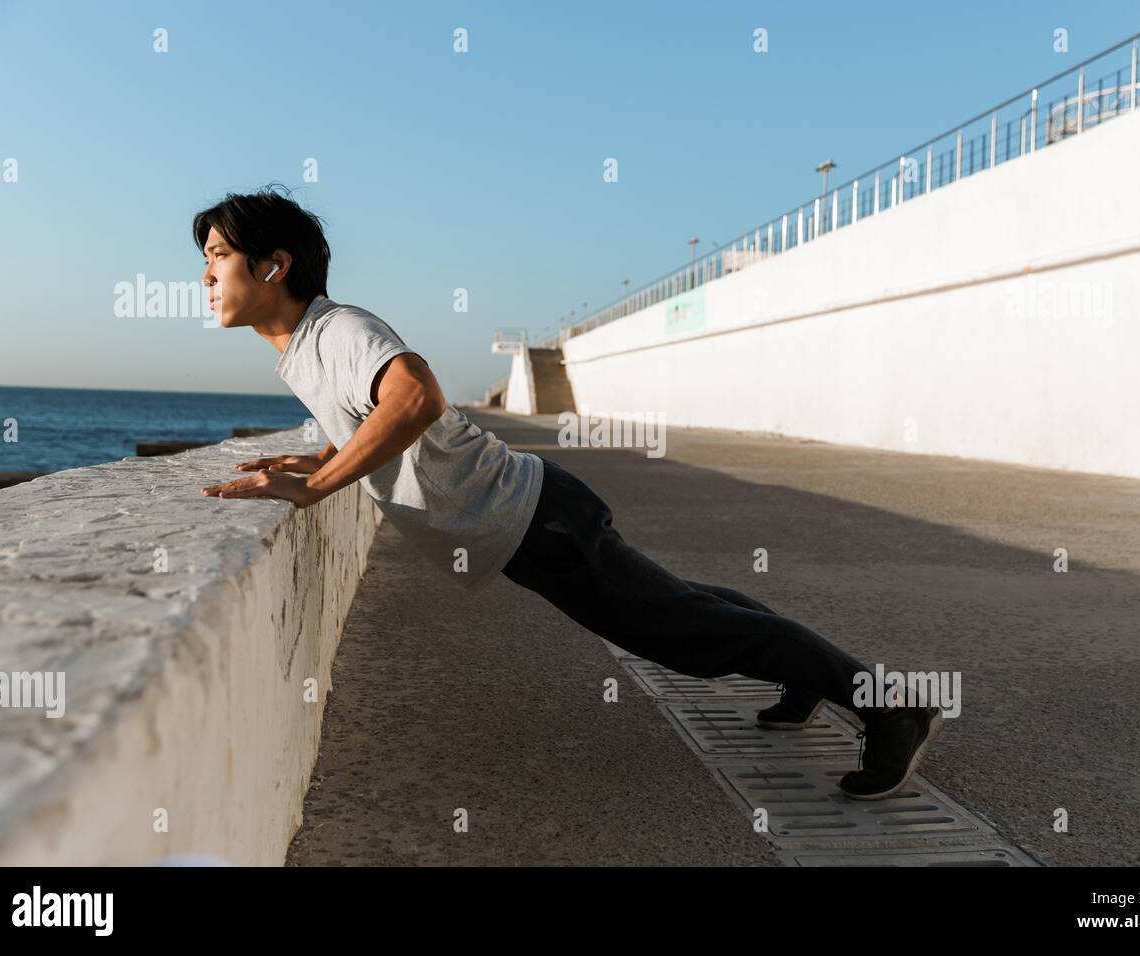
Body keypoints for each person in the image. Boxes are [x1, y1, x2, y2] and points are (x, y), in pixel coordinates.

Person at [195, 185, 942, 801]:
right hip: (533, 514)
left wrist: (320, 485)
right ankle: (801, 678)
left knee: (687, 635)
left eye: (219, 257)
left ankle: (894, 707)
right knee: (688, 604)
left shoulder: (337, 330)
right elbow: (373, 412)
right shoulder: (307, 350)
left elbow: (416, 396)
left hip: (533, 523)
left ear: (274, 267)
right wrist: (320, 452)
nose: (206, 276)